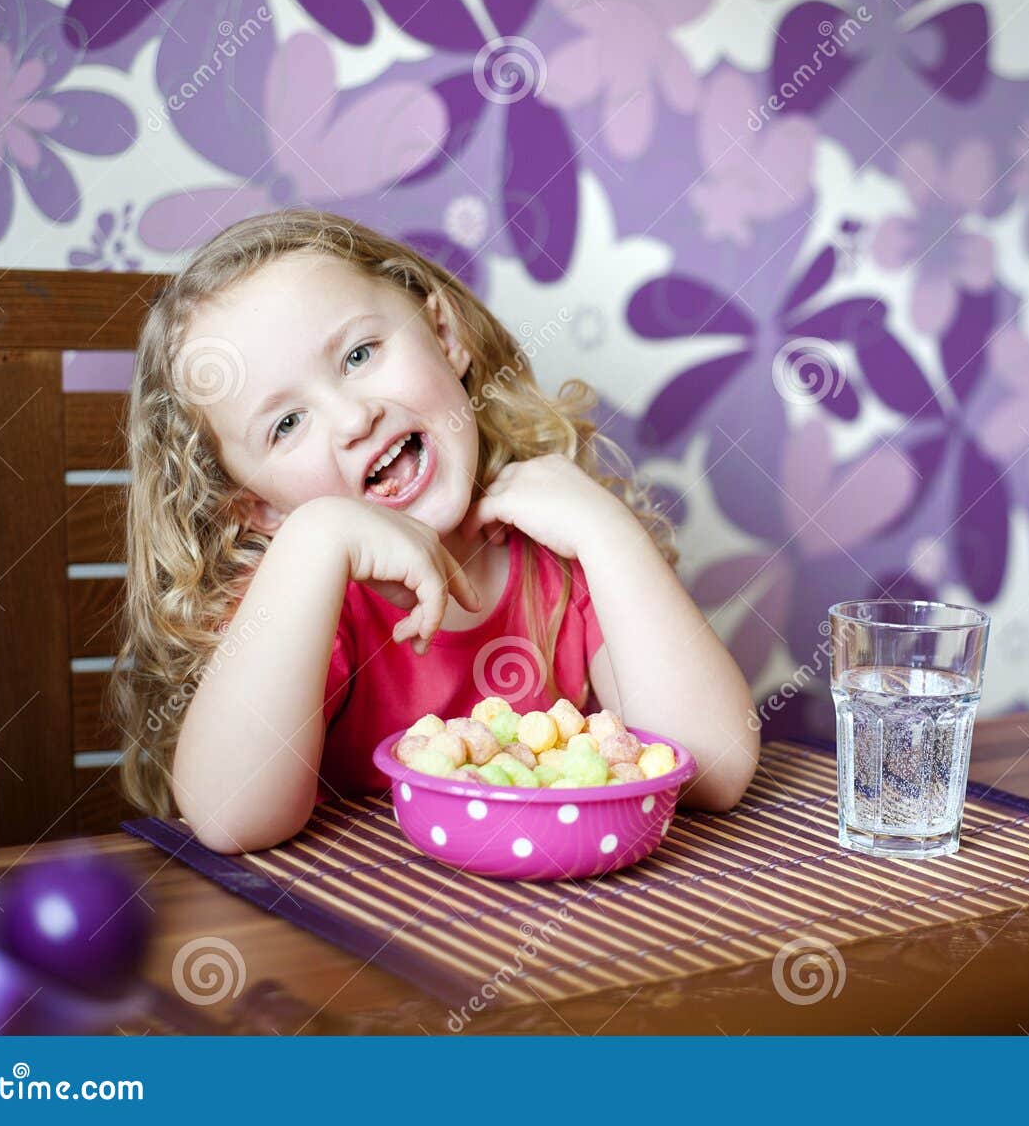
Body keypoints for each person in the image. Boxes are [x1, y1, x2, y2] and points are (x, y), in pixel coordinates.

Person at [109, 210, 759, 854]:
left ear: (444, 332)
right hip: (361, 939)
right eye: (286, 424)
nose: (353, 417)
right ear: (257, 508)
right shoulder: (299, 601)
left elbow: (714, 768)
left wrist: (609, 534)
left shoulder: (560, 563)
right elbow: (230, 818)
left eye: (359, 354)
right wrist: (313, 543)